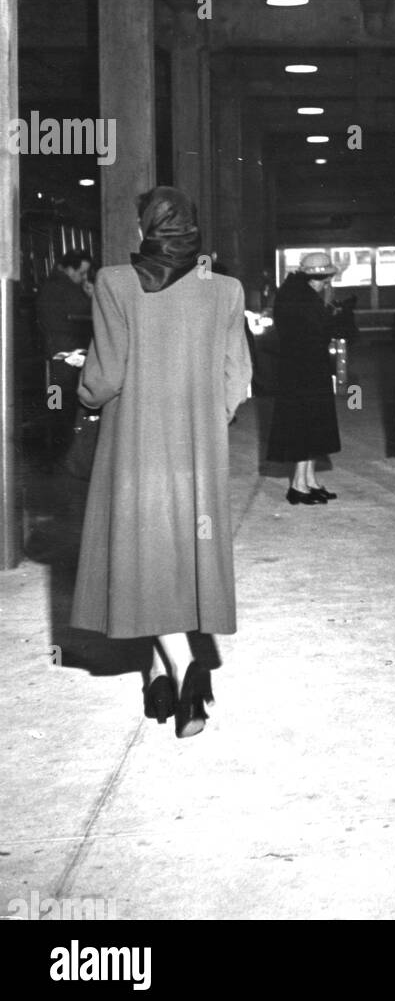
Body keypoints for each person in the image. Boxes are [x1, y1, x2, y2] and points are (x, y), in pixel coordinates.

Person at [69, 187, 251, 740]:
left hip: (134, 447)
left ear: (147, 228)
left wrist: (80, 386)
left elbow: (106, 378)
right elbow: (237, 380)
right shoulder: (223, 289)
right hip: (198, 450)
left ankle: (183, 666)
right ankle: (158, 678)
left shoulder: (114, 282)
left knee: (142, 553)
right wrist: (206, 422)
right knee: (172, 557)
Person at [266, 251, 342, 505]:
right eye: (324, 278)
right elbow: (312, 331)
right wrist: (335, 319)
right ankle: (298, 486)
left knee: (313, 426)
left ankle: (309, 480)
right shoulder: (298, 296)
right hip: (301, 371)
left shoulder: (299, 292)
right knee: (304, 427)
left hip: (309, 368)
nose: (326, 284)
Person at [36, 249, 94, 459]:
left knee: (56, 398)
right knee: (61, 401)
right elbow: (85, 311)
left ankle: (55, 445)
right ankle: (61, 447)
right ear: (69, 269)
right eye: (82, 273)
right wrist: (92, 295)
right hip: (65, 354)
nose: (84, 278)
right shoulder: (63, 287)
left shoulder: (53, 284)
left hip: (54, 354)